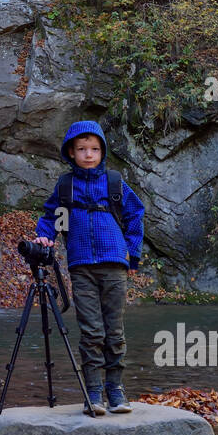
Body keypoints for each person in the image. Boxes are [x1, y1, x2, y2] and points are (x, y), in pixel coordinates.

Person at [34, 120, 144, 415]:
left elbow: (135, 215)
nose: (88, 154)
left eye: (94, 149)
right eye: (82, 149)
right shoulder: (65, 186)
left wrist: (132, 254)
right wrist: (45, 235)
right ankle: (93, 393)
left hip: (114, 264)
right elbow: (53, 216)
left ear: (102, 151)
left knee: (114, 331)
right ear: (71, 152)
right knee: (91, 331)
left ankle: (116, 391)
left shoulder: (114, 182)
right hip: (81, 265)